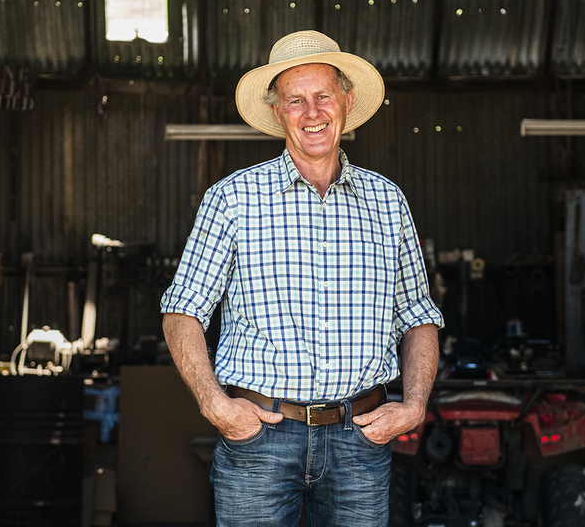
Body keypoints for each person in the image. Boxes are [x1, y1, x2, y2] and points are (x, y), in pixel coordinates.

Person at [160, 30, 442, 527]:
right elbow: (182, 310)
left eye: (322, 96)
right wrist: (214, 404)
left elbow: (418, 316)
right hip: (260, 438)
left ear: (346, 102)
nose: (312, 113)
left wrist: (415, 405)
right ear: (276, 112)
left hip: (361, 438)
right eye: (295, 100)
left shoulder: (387, 202)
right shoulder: (233, 200)